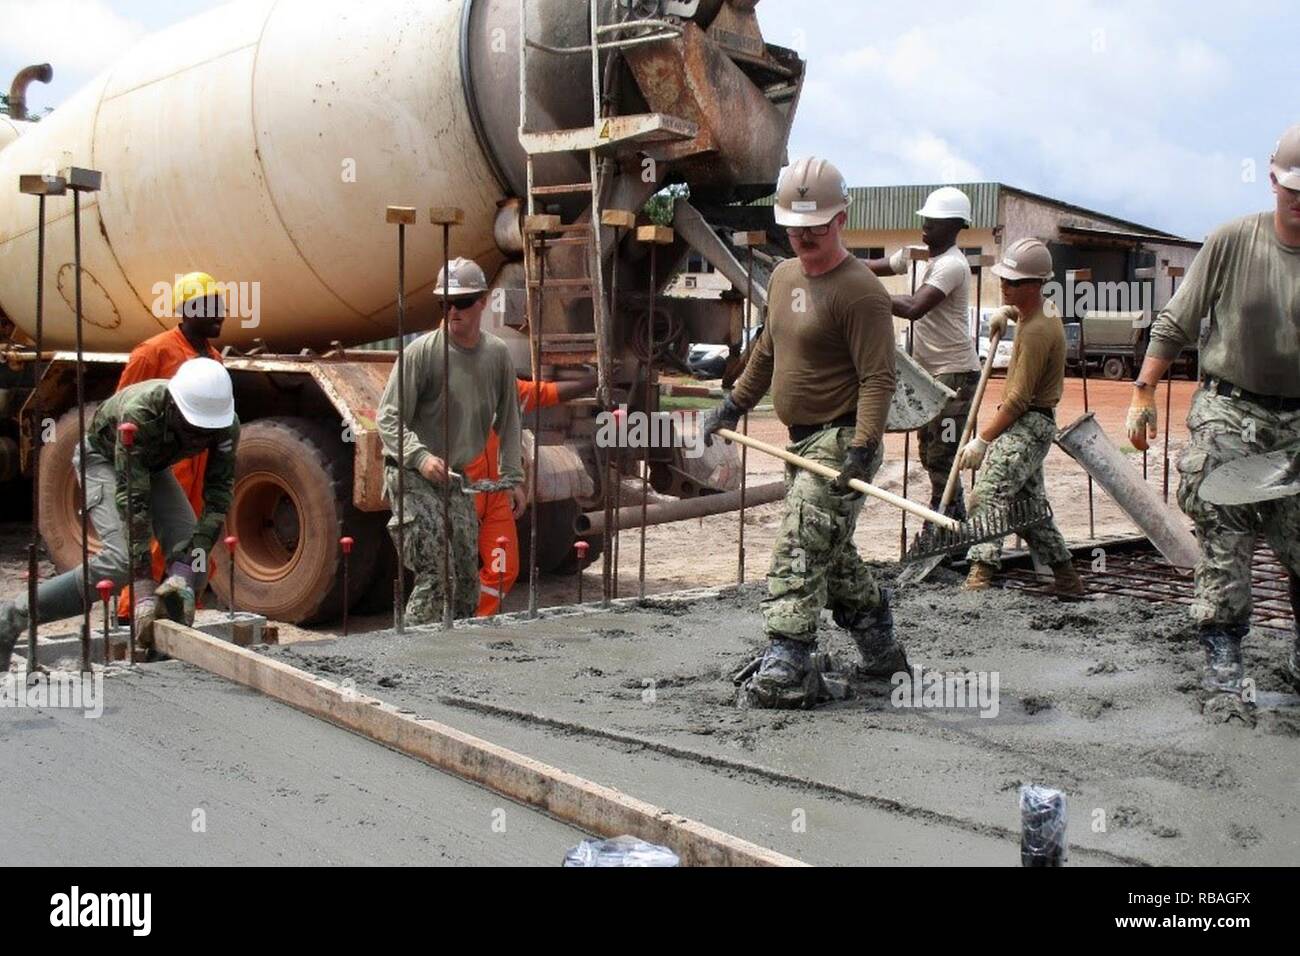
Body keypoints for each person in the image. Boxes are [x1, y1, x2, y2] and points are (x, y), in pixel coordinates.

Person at [702, 156, 906, 709]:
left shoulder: (861, 292)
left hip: (842, 441)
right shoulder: (786, 278)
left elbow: (878, 378)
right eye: (794, 226)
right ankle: (883, 650)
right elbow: (769, 349)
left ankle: (789, 655)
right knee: (831, 554)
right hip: (801, 444)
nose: (802, 237)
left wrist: (863, 448)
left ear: (841, 219)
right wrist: (734, 403)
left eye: (814, 227)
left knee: (798, 542)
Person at [1126, 123, 1300, 694]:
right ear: (1273, 180)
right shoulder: (1233, 242)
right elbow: (1176, 321)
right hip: (1232, 408)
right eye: (1293, 189)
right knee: (1222, 512)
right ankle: (1224, 646)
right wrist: (1144, 391)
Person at [0, 359, 239, 666]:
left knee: (195, 565)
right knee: (121, 560)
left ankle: (161, 649)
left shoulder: (224, 424)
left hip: (151, 465)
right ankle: (14, 616)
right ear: (175, 407)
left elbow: (219, 496)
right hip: (102, 458)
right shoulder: (141, 414)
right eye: (193, 428)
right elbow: (134, 502)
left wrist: (182, 573)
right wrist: (142, 587)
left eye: (207, 432)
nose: (200, 438)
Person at [376, 257, 524, 625]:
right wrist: (420, 456)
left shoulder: (496, 355)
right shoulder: (422, 354)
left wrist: (512, 478)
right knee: (436, 570)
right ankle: (412, 652)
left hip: (457, 478)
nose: (452, 312)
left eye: (462, 303)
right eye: (445, 304)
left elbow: (509, 419)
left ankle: (454, 650)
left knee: (466, 579)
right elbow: (388, 416)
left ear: (482, 301)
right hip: (413, 474)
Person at [957, 238, 1082, 597]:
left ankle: (979, 576)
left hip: (1027, 423)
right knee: (1028, 509)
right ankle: (1067, 579)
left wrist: (983, 439)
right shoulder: (1044, 312)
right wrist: (1007, 312)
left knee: (988, 493)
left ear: (1034, 284)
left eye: (1012, 282)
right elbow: (1029, 312)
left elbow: (1016, 400)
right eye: (1004, 280)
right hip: (1035, 422)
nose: (1004, 285)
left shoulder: (1037, 333)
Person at [115, 271, 226, 617]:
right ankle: (130, 613)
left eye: (220, 305)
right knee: (154, 543)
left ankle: (181, 608)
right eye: (210, 306)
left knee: (194, 543)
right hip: (164, 467)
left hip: (199, 464)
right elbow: (123, 411)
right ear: (188, 310)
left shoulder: (215, 359)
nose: (220, 313)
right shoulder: (153, 353)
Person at [867, 187, 982, 517]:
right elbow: (872, 266)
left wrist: (864, 296)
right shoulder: (914, 256)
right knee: (928, 449)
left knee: (943, 452)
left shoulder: (952, 265)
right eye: (927, 218)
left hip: (954, 374)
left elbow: (914, 307)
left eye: (936, 220)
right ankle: (947, 515)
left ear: (955, 225)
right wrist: (838, 264)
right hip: (926, 373)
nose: (927, 224)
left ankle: (947, 518)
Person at [469, 374, 596, 616]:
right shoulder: (441, 386)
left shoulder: (499, 383)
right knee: (455, 571)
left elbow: (545, 393)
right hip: (460, 495)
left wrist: (595, 380)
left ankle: (475, 621)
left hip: (496, 494)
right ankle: (445, 628)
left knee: (503, 569)